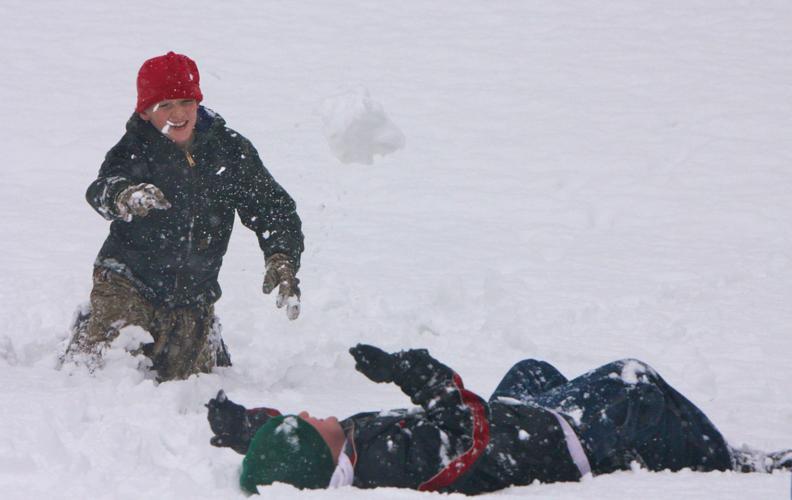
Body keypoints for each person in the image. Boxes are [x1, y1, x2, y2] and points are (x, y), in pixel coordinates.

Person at [206, 344, 791, 494]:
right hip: (565, 443)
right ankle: (728, 463)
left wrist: (247, 428)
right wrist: (418, 372)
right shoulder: (393, 464)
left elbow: (288, 448)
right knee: (632, 381)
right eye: (307, 423)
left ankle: (605, 424)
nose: (308, 412)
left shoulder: (350, 446)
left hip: (529, 419)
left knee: (530, 369)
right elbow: (467, 435)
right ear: (324, 455)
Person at [62, 51, 304, 381]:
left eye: (185, 102)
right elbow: (102, 187)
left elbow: (273, 208)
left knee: (189, 382)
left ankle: (202, 332)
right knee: (107, 373)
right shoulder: (135, 147)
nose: (178, 114)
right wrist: (124, 195)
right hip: (129, 282)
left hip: (193, 294)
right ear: (146, 112)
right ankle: (95, 325)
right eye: (165, 106)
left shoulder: (229, 150)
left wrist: (281, 256)